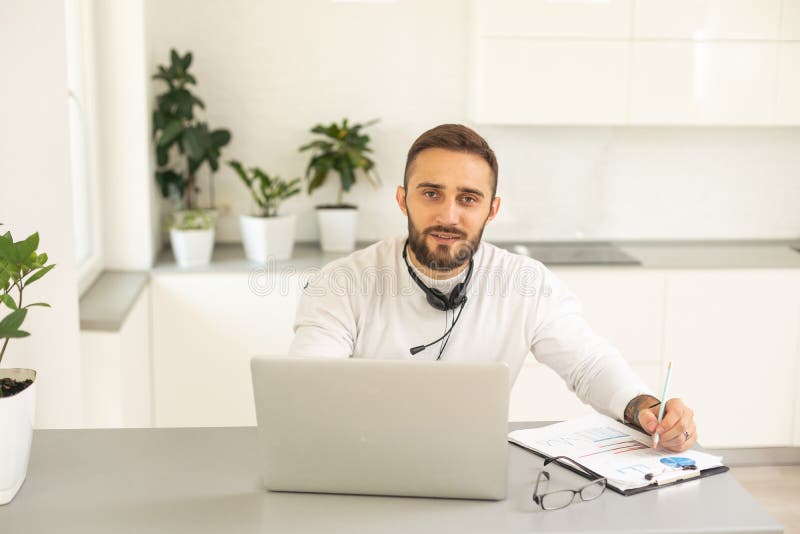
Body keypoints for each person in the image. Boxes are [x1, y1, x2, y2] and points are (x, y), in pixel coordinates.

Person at [289, 123, 697, 453]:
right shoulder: (340, 283)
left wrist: (646, 408)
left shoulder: (526, 283)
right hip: (361, 461)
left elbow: (589, 365)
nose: (448, 215)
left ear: (492, 209)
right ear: (403, 200)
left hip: (473, 469)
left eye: (468, 198)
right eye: (431, 193)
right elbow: (307, 387)